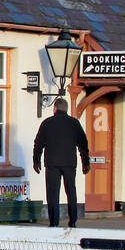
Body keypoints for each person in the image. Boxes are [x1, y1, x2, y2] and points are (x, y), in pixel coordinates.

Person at [32, 97, 90, 228]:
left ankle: (54, 222)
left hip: (52, 163)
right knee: (71, 191)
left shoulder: (47, 123)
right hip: (69, 163)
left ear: (55, 108)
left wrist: (36, 161)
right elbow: (83, 144)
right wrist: (85, 162)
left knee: (53, 193)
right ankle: (73, 220)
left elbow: (38, 143)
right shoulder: (74, 123)